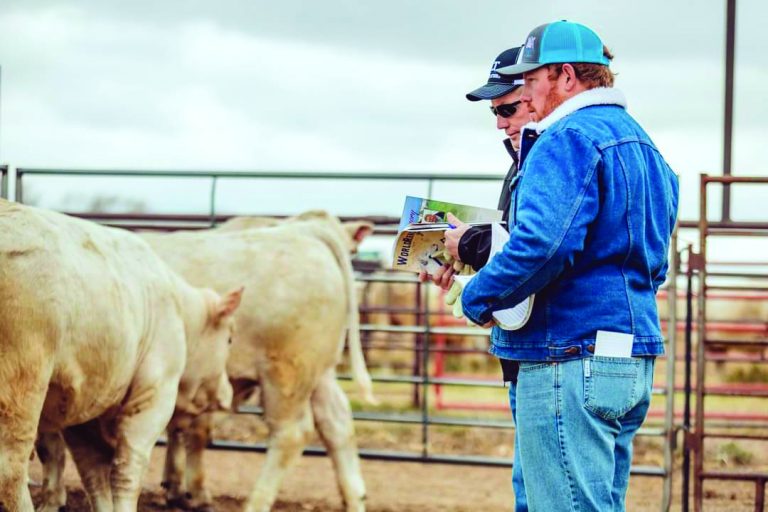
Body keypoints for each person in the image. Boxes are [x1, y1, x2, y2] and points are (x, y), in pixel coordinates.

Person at [461, 21, 679, 512]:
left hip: (567, 353)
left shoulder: (565, 138)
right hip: (627, 354)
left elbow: (542, 245)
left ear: (564, 76)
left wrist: (478, 298)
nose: (529, 96)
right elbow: (655, 258)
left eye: (532, 80)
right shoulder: (645, 147)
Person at [418, 46, 531, 511]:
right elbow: (521, 249)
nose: (500, 123)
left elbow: (540, 248)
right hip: (527, 353)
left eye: (508, 108)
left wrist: (469, 247)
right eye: (495, 112)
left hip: (546, 355)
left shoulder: (546, 157)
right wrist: (472, 269)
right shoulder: (521, 163)